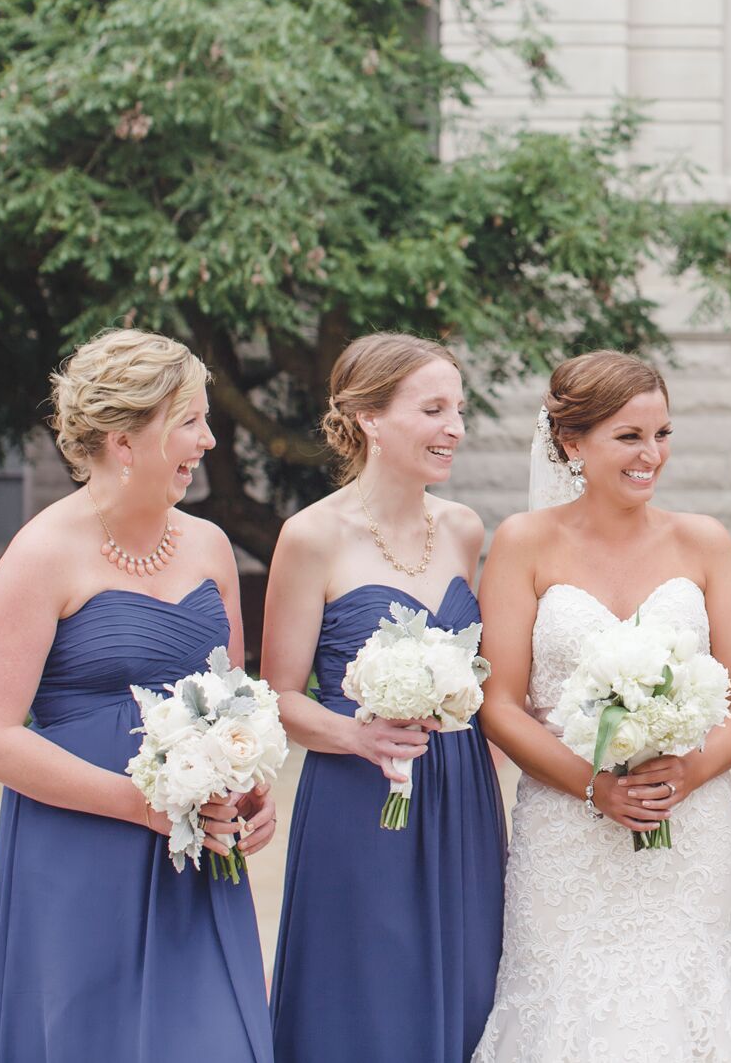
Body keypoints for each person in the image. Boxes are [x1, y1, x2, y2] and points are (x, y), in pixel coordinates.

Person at [470, 351, 731, 1061]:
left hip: (691, 824)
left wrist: (690, 769)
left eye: (663, 433)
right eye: (629, 436)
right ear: (572, 443)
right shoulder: (524, 542)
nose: (653, 455)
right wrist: (595, 785)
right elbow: (500, 703)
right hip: (567, 829)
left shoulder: (702, 540)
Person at [0, 328, 273, 1062]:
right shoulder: (40, 555)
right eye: (190, 421)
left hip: (197, 859)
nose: (210, 441)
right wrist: (141, 804)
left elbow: (235, 698)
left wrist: (252, 782)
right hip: (82, 855)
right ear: (125, 440)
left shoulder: (209, 546)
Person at [263, 333, 503, 1062]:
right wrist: (356, 736)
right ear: (369, 417)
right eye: (432, 408)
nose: (453, 427)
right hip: (358, 796)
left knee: (470, 983)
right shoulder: (312, 536)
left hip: (461, 793)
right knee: (367, 992)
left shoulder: (463, 528)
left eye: (458, 409)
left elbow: (482, 678)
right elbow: (276, 694)